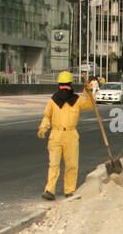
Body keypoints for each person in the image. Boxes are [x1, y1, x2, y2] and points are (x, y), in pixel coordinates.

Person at [37, 71, 96, 200]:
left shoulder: (77, 100)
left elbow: (91, 104)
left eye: (66, 86)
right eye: (62, 85)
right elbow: (47, 116)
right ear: (59, 86)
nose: (64, 88)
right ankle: (49, 190)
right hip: (56, 135)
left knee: (72, 165)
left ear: (70, 86)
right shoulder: (53, 101)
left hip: (71, 135)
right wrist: (43, 127)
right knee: (54, 164)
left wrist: (88, 92)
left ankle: (69, 190)